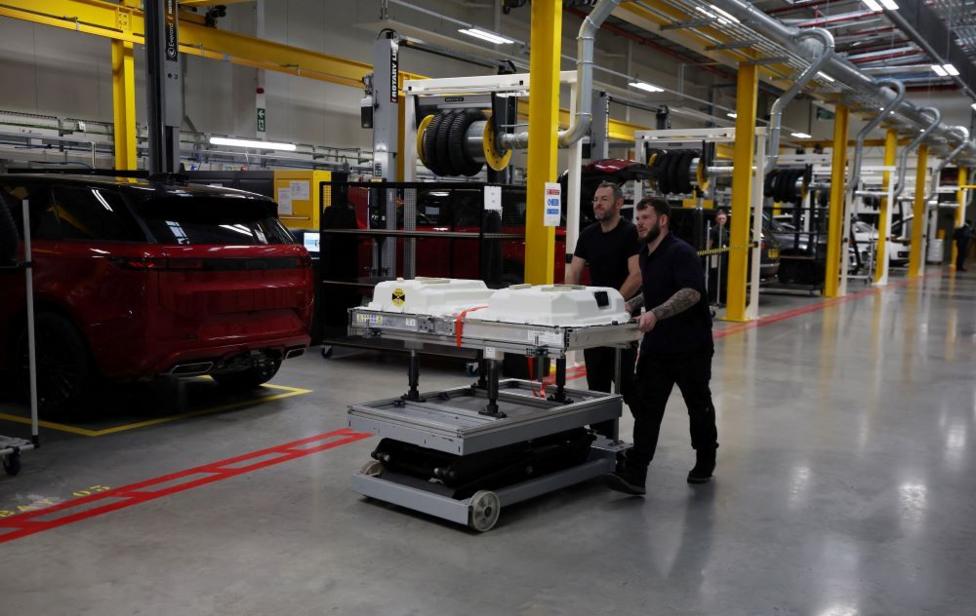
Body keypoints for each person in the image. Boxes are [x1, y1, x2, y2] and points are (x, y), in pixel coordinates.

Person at [607, 196, 719, 495]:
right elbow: (654, 289)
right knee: (647, 409)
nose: (639, 223)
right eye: (638, 217)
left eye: (645, 217)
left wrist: (656, 313)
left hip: (691, 348)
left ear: (663, 220)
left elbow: (691, 292)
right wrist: (628, 305)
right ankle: (636, 474)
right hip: (657, 347)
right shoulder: (646, 254)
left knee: (698, 406)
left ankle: (706, 459)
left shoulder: (682, 253)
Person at [567, 181, 642, 437]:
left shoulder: (631, 233)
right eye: (595, 199)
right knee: (596, 384)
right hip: (594, 321)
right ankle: (602, 440)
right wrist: (573, 304)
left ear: (618, 203)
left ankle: (644, 433)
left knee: (625, 381)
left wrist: (614, 305)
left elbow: (637, 275)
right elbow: (574, 272)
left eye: (604, 199)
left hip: (621, 320)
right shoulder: (588, 234)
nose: (597, 204)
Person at [707, 209, 729, 305]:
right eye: (720, 218)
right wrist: (707, 252)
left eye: (723, 218)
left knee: (722, 276)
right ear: (716, 219)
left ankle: (720, 298)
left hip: (723, 255)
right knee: (714, 276)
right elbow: (709, 243)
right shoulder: (714, 230)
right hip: (715, 255)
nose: (722, 220)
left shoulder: (724, 230)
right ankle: (712, 299)